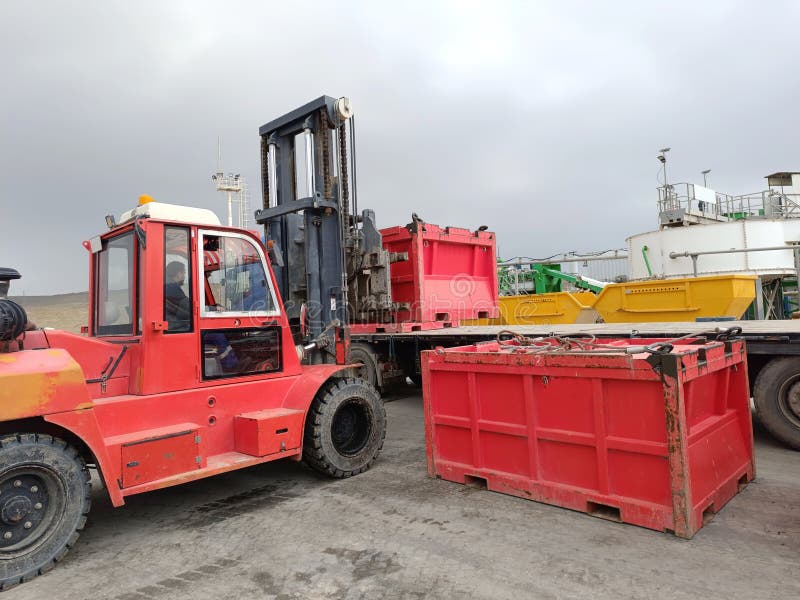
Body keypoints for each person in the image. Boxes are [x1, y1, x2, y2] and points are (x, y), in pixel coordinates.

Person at [164, 261, 191, 332]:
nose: (185, 276)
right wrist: (210, 308)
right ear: (179, 274)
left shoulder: (166, 286)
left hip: (171, 324)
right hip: (176, 326)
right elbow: (189, 307)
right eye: (184, 273)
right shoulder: (172, 288)